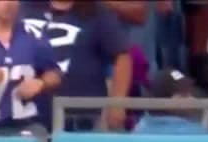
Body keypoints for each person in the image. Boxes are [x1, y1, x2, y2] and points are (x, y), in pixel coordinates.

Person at [22, 0, 131, 132]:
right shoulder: (25, 8)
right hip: (28, 117)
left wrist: (117, 103)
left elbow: (122, 57)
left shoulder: (96, 12)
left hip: (82, 118)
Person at [0, 0, 62, 136]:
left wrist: (42, 83)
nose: (8, 3)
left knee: (40, 141)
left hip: (25, 125)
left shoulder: (34, 36)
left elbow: (54, 74)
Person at [132, 67, 207, 134]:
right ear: (164, 100)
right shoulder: (195, 132)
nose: (192, 99)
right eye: (184, 95)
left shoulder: (139, 129)